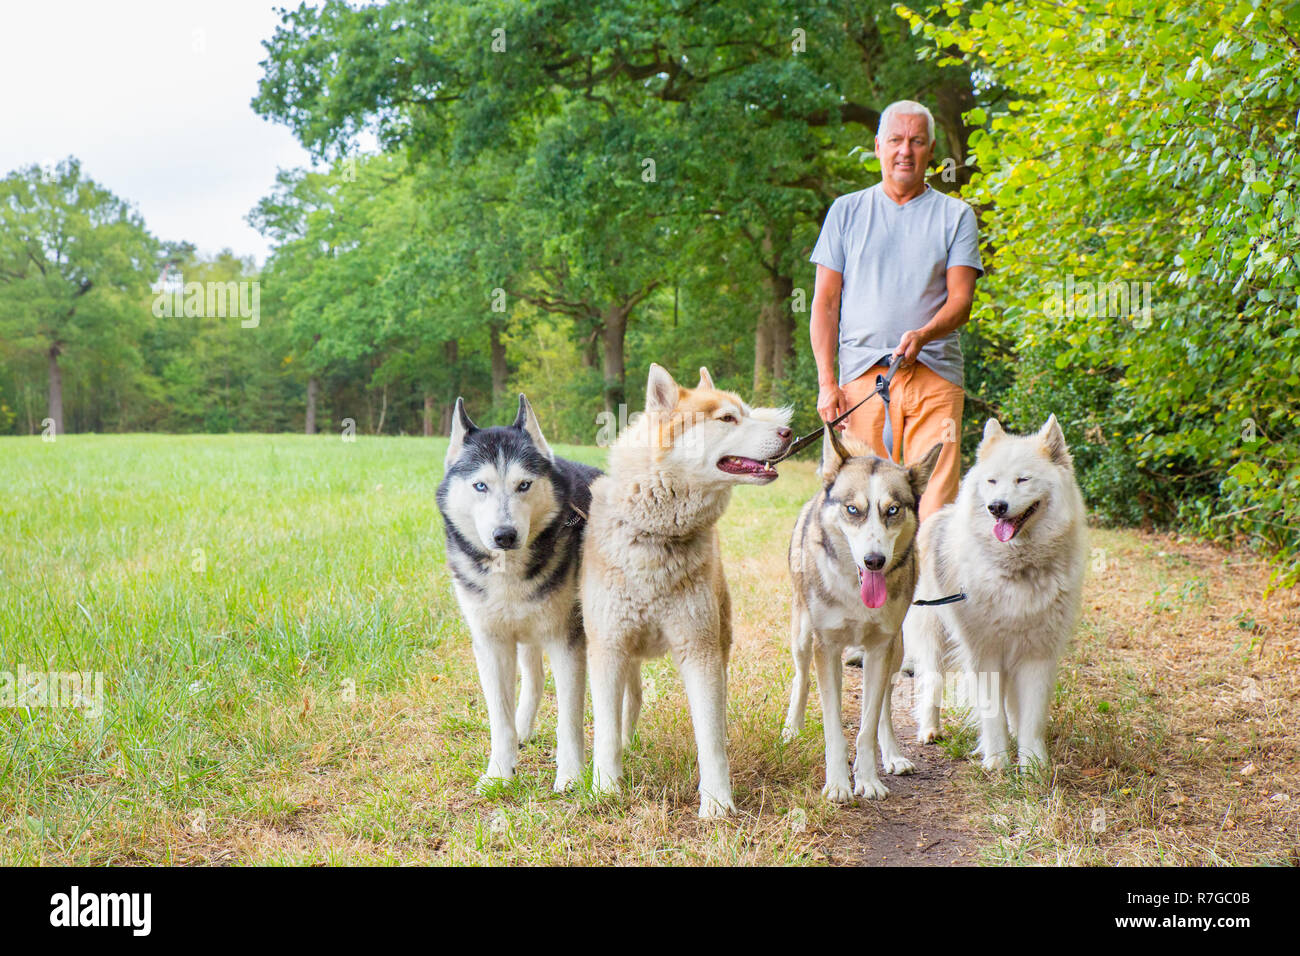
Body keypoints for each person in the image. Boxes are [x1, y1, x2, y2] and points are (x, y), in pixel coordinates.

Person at [809, 100, 982, 521]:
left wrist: (923, 335)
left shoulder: (956, 215)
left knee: (934, 500)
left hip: (935, 374)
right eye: (896, 140)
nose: (905, 150)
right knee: (862, 501)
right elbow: (826, 302)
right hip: (861, 381)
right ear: (878, 146)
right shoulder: (846, 212)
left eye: (917, 141)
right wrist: (827, 382)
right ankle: (864, 587)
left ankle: (927, 589)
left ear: (931, 150)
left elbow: (961, 301)